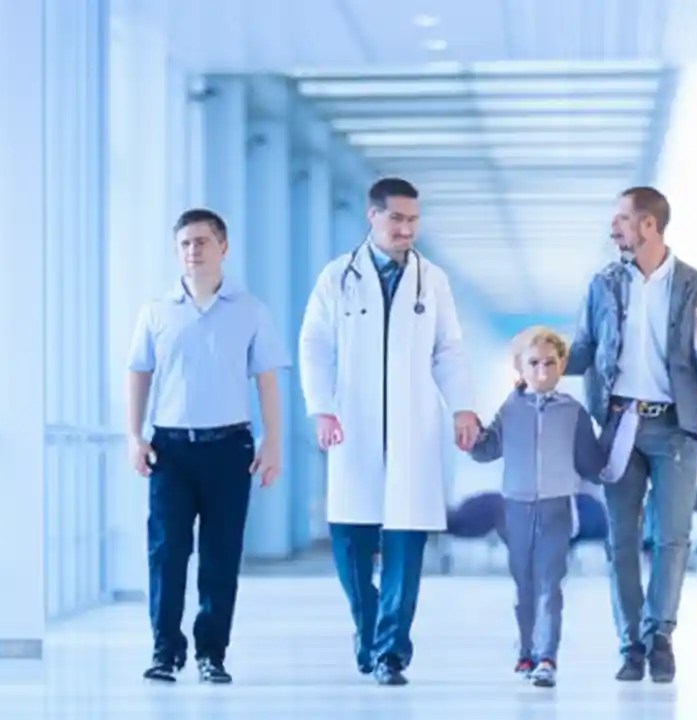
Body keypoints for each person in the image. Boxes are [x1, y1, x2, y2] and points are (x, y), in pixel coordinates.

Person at [297, 177, 478, 686]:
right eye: (397, 218)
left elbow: (449, 350)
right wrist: (322, 409)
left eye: (413, 220)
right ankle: (370, 626)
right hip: (350, 424)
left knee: (405, 539)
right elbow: (313, 345)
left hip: (412, 428)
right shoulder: (338, 277)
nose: (406, 229)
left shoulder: (431, 279)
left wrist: (462, 408)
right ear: (372, 216)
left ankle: (391, 651)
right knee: (351, 540)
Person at [565, 186, 697, 684]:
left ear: (649, 225)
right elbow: (585, 348)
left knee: (673, 537)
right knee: (622, 540)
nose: (614, 227)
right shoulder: (603, 284)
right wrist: (539, 361)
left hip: (674, 426)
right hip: (618, 423)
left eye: (622, 218)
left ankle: (661, 637)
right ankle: (630, 642)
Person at [126, 208, 288, 684]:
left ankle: (211, 653)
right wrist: (134, 435)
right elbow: (139, 372)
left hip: (229, 448)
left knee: (220, 556)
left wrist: (272, 440)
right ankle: (164, 650)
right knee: (166, 553)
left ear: (223, 248)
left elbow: (267, 380)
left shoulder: (250, 310)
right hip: (170, 450)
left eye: (202, 242)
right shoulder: (155, 312)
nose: (193, 251)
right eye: (185, 244)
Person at [468, 326, 608, 688]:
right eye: (534, 363)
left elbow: (591, 463)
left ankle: (547, 657)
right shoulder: (510, 409)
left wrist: (615, 434)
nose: (543, 371)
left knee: (549, 583)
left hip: (556, 507)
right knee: (524, 585)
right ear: (520, 366)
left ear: (562, 365)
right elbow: (486, 450)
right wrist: (469, 435)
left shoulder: (573, 412)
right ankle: (526, 651)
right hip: (515, 507)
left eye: (550, 363)